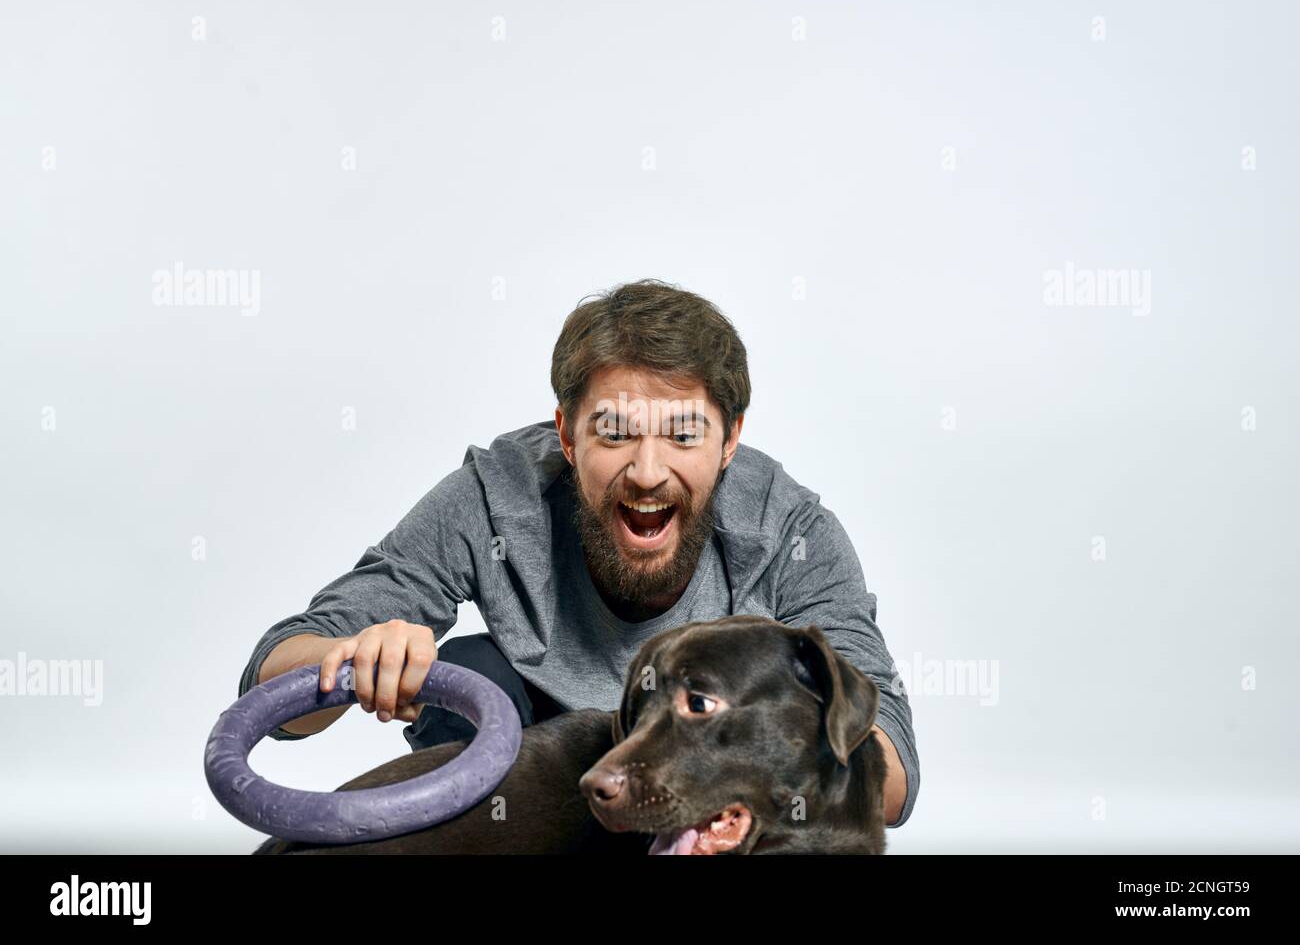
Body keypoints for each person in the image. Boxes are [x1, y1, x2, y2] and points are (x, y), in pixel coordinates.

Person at [238, 279, 921, 828]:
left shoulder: (787, 528)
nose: (648, 471)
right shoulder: (496, 495)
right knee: (470, 671)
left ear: (730, 438)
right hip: (540, 792)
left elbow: (888, 769)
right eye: (615, 432)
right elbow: (274, 679)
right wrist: (355, 661)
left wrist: (755, 784)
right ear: (567, 435)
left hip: (713, 781)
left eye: (683, 435)